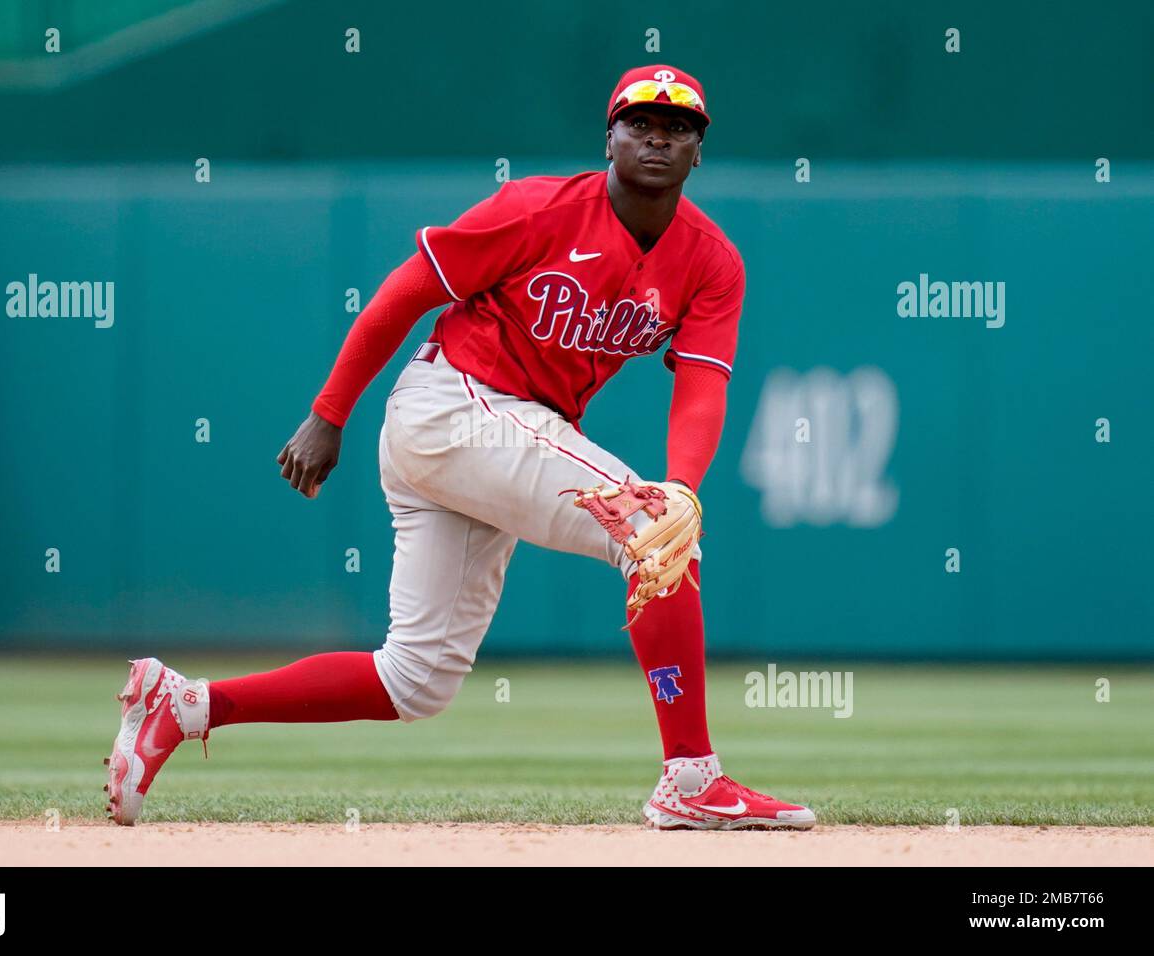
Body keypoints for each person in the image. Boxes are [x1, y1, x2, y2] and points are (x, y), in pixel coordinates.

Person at [105, 64, 815, 830]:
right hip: (455, 408)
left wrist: (682, 482)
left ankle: (184, 706)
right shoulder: (537, 208)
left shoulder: (711, 261)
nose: (657, 136)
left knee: (415, 681)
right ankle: (690, 779)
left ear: (698, 151)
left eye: (678, 128)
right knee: (656, 540)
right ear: (607, 136)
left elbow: (703, 385)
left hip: (502, 437)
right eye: (639, 121)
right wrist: (329, 411)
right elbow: (408, 290)